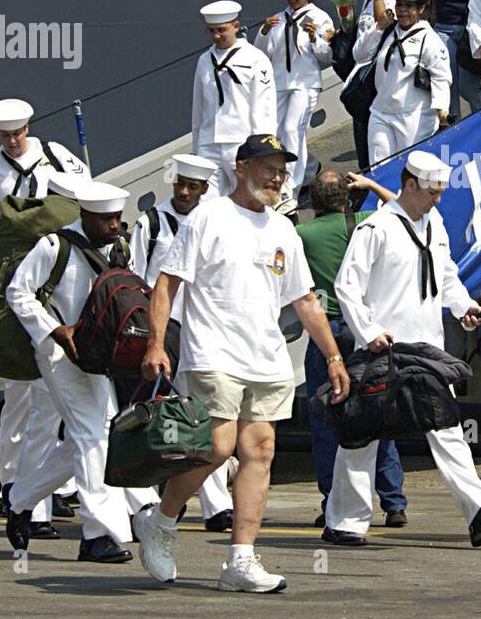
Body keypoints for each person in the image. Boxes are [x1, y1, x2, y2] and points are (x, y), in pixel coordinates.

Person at [135, 134, 351, 592]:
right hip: (213, 351)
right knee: (217, 445)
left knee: (260, 451)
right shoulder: (207, 218)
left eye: (281, 170)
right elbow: (166, 285)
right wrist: (156, 343)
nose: (276, 177)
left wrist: (333, 354)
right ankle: (162, 521)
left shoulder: (282, 230)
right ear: (241, 167)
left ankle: (240, 560)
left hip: (266, 357)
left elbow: (306, 300)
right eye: (267, 168)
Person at [324, 149, 481, 547]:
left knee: (448, 429)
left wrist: (464, 305)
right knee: (363, 436)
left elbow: (446, 274)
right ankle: (344, 521)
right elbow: (346, 287)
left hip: (429, 350)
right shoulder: (376, 229)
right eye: (433, 191)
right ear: (410, 185)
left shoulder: (434, 224)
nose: (438, 199)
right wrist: (368, 332)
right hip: (384, 350)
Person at [3, 182, 152, 562]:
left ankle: (19, 501)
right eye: (106, 219)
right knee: (90, 435)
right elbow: (17, 292)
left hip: (102, 357)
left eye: (118, 217)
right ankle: (96, 534)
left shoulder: (121, 247)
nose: (115, 225)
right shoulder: (54, 247)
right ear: (85, 216)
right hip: (58, 354)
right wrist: (53, 329)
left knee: (86, 441)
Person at [0, 98, 90, 527]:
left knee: (62, 391)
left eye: (17, 133)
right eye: (4, 136)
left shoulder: (56, 157)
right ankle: (10, 482)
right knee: (19, 393)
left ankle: (58, 485)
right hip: (17, 276)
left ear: (28, 127)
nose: (12, 142)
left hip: (60, 268)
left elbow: (85, 193)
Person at [128, 152, 235, 533]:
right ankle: (150, 499)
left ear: (205, 189)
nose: (185, 192)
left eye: (193, 187)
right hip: (167, 327)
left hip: (205, 330)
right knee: (160, 412)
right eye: (180, 185)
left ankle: (216, 505)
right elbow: (138, 278)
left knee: (206, 416)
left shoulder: (216, 220)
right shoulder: (152, 222)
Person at [297, 170, 407, 528]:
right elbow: (404, 208)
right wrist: (371, 185)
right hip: (367, 331)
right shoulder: (367, 222)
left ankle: (333, 501)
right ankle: (394, 502)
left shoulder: (302, 234)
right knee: (379, 415)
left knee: (326, 420)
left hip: (326, 332)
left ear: (313, 200)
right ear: (346, 198)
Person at [254, 0, 335, 200]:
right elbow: (261, 54)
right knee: (275, 133)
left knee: (292, 130)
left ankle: (292, 186)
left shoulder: (320, 18)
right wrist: (264, 31)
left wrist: (314, 39)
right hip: (280, 83)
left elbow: (326, 57)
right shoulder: (278, 19)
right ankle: (300, 172)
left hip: (305, 82)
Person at [354, 0, 451, 164]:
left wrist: (442, 110)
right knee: (379, 169)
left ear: (421, 9)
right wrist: (377, 28)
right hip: (381, 112)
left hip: (414, 116)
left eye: (409, 6)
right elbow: (360, 55)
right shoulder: (387, 30)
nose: (402, 10)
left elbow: (441, 78)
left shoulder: (429, 39)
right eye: (399, 4)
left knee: (410, 169)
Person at [191, 0, 277, 197]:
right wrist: (197, 146)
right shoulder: (205, 60)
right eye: (211, 30)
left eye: (221, 29)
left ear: (235, 26)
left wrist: (262, 147)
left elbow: (264, 106)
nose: (216, 35)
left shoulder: (255, 58)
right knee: (207, 204)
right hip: (209, 142)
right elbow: (198, 107)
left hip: (241, 140)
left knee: (248, 198)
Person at [349, 0, 402, 165]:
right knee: (361, 130)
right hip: (361, 70)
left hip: (380, 74)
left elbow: (383, 21)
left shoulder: (397, 0)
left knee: (377, 136)